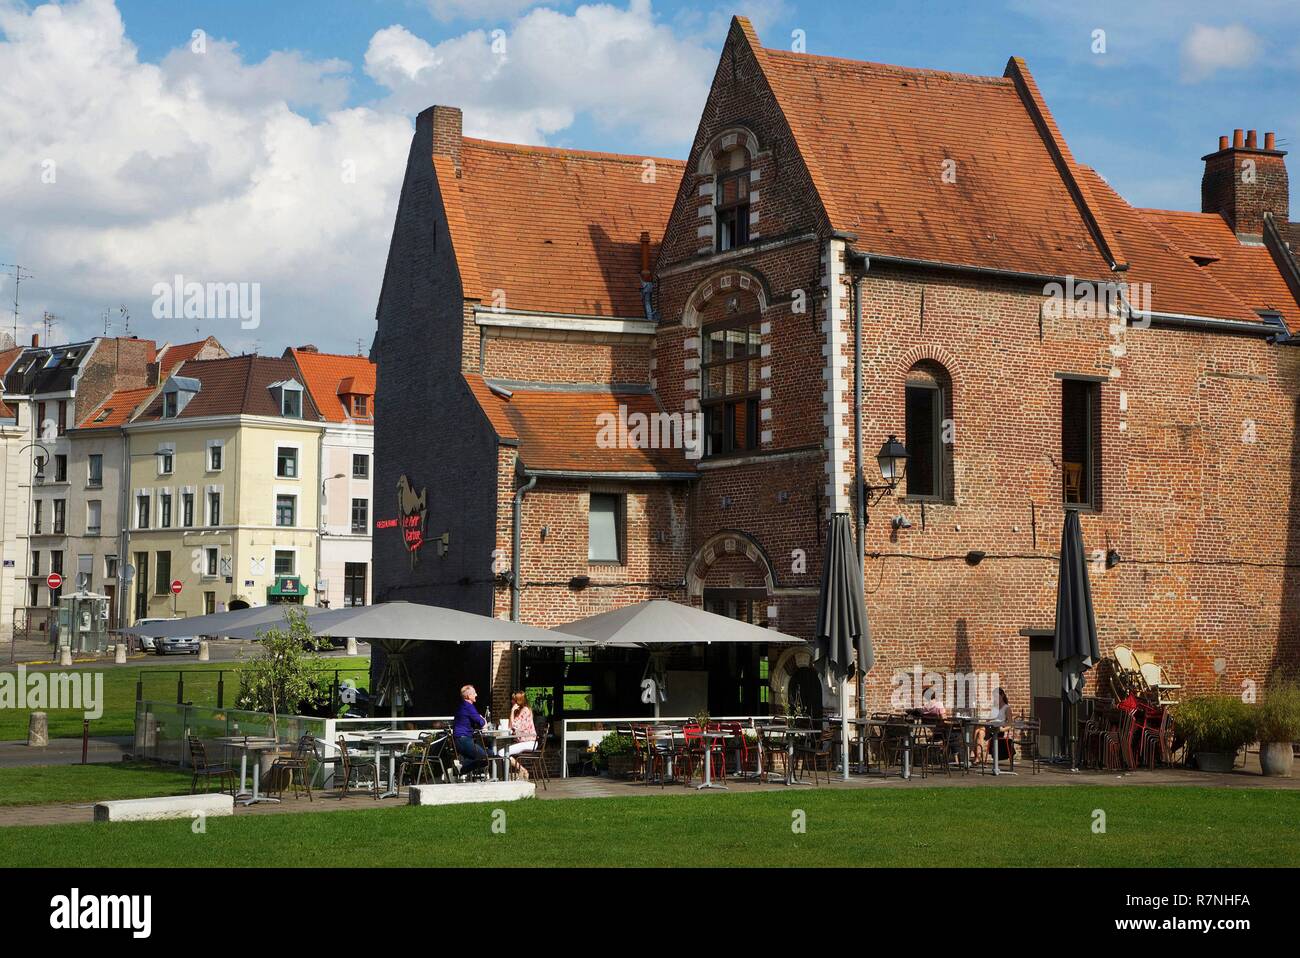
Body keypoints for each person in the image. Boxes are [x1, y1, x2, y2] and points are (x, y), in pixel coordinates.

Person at [453, 684, 489, 777]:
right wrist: (483, 720)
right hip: (463, 740)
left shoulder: (463, 706)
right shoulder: (468, 706)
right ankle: (460, 768)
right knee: (484, 758)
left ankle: (462, 766)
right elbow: (481, 722)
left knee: (491, 754)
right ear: (469, 696)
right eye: (474, 693)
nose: (476, 695)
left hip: (461, 739)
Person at [503, 691, 539, 779]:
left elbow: (514, 726)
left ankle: (522, 770)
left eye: (513, 700)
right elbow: (511, 726)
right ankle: (509, 776)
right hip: (523, 741)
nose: (511, 702)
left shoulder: (525, 710)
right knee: (503, 752)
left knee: (502, 753)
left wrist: (512, 711)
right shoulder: (519, 711)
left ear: (519, 701)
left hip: (529, 742)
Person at [973, 687, 1012, 766]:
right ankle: (978, 757)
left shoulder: (1007, 708)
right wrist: (988, 721)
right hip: (991, 727)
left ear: (1002, 696)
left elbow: (1010, 724)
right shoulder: (995, 707)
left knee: (978, 728)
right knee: (979, 731)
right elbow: (991, 719)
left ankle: (976, 755)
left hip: (998, 730)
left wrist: (1003, 729)